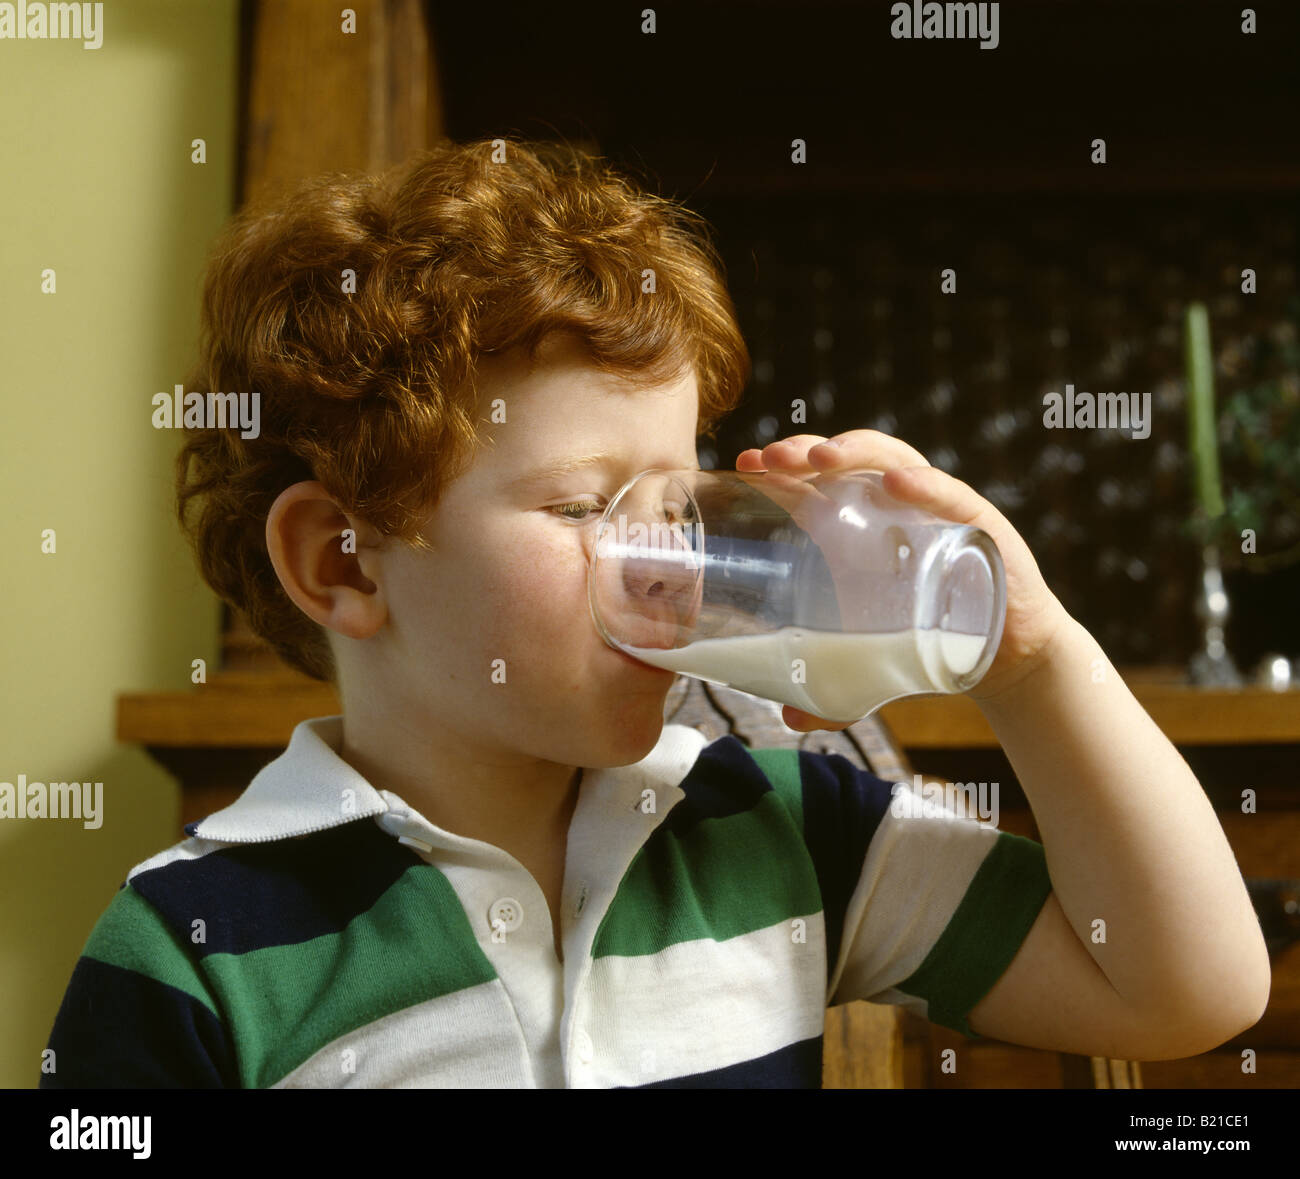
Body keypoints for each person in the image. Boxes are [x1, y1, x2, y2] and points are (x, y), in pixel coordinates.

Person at [39, 137, 1270, 1088]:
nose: (666, 557)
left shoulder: (776, 828)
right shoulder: (189, 946)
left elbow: (1187, 989)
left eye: (674, 497)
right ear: (345, 562)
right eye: (582, 508)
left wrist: (1035, 656)